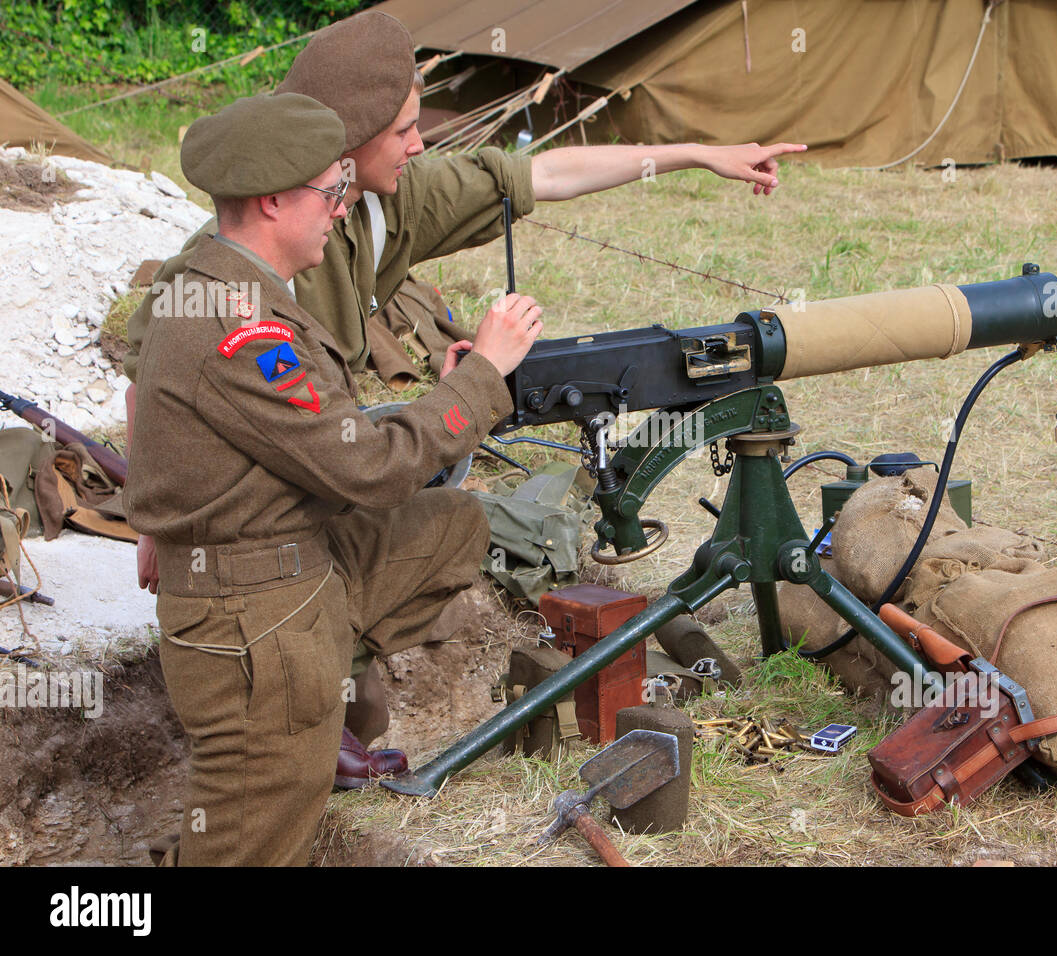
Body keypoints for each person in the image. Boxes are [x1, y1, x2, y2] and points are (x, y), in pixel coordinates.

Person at [124, 10, 806, 778]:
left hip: (318, 457)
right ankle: (304, 708)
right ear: (344, 145)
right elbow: (148, 373)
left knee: (439, 526)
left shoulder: (387, 200)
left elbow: (539, 176)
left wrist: (697, 156)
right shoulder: (236, 264)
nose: (421, 145)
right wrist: (155, 520)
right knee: (309, 688)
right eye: (404, 130)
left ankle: (329, 676)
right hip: (272, 509)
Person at [125, 92, 542, 865]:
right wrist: (483, 375)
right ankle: (312, 685)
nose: (342, 209)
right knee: (253, 842)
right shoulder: (245, 330)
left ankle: (333, 664)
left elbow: (307, 436)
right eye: (330, 192)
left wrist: (447, 394)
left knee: (453, 525)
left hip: (287, 573)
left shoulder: (218, 283)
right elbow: (367, 468)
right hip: (253, 622)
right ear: (272, 200)